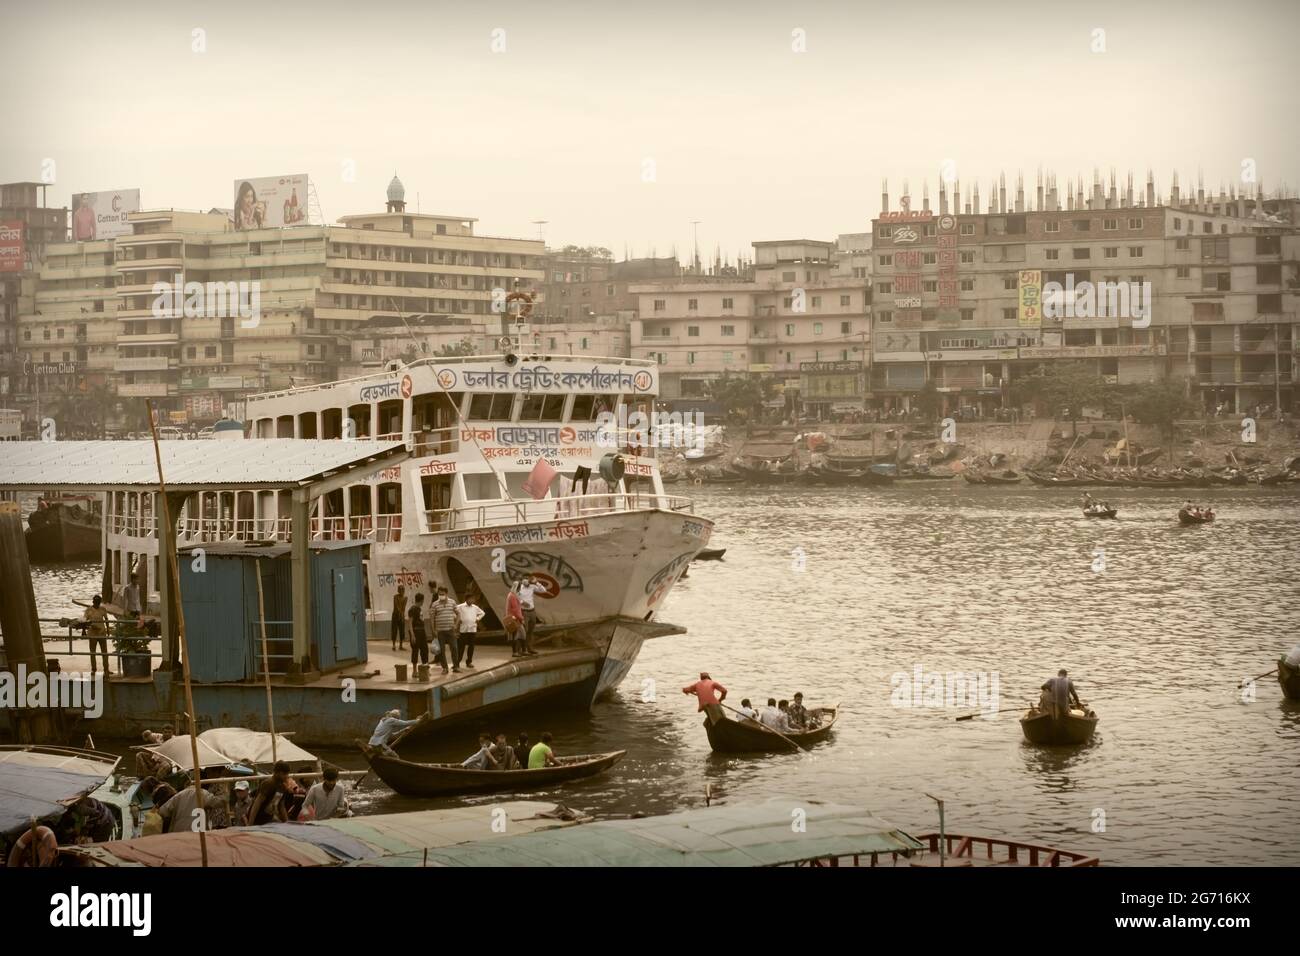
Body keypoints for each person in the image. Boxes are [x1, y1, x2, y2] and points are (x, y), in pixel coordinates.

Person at [157, 784, 225, 834]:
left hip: (178, 832)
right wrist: (224, 791)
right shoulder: (203, 793)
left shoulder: (178, 796)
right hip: (197, 833)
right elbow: (219, 802)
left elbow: (162, 811)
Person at [248, 761, 295, 826]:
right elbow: (257, 803)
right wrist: (250, 823)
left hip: (268, 817)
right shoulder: (269, 783)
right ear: (278, 773)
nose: (286, 776)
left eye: (287, 774)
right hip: (258, 817)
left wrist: (287, 823)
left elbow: (281, 806)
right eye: (284, 774)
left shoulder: (282, 787)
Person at [516, 575, 551, 651]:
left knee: (530, 631)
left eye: (527, 578)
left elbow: (544, 590)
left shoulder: (532, 587)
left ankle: (529, 648)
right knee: (523, 630)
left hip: (532, 611)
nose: (526, 580)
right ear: (522, 580)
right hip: (523, 611)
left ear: (529, 580)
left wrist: (536, 582)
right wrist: (522, 602)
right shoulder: (519, 587)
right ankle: (519, 649)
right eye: (524, 579)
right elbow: (514, 597)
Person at [430, 587, 459, 674]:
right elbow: (432, 618)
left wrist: (456, 625)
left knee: (454, 648)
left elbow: (459, 614)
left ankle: (456, 667)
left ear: (446, 594)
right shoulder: (435, 604)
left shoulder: (452, 602)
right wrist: (433, 630)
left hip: (451, 630)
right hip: (440, 631)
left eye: (442, 594)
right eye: (439, 594)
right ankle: (445, 668)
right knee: (441, 650)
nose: (441, 596)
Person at [454, 594, 486, 668]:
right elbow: (453, 612)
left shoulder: (475, 607)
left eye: (473, 599)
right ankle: (457, 662)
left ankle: (469, 662)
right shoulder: (460, 606)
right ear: (467, 599)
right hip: (463, 630)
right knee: (461, 647)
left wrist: (477, 619)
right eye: (471, 599)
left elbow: (482, 613)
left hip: (472, 629)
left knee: (471, 646)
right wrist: (458, 619)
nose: (472, 600)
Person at [83, 594, 110, 675]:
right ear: (93, 602)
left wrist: (108, 629)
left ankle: (106, 669)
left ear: (100, 602)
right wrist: (84, 630)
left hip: (102, 632)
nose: (97, 604)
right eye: (95, 602)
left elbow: (106, 619)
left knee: (104, 652)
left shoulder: (103, 609)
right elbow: (84, 621)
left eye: (98, 602)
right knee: (93, 652)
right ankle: (93, 669)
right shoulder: (88, 610)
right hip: (92, 633)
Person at [407, 592, 430, 671]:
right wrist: (412, 635)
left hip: (422, 631)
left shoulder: (419, 609)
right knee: (415, 651)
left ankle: (425, 668)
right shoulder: (412, 609)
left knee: (424, 649)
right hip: (416, 631)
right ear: (421, 600)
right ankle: (414, 670)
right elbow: (410, 623)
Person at [506, 588, 529, 657]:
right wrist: (521, 618)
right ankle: (515, 652)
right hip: (515, 619)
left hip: (515, 618)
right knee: (515, 636)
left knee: (522, 635)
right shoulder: (512, 596)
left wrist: (523, 603)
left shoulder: (512, 595)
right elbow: (515, 610)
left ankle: (523, 651)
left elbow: (519, 603)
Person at [391, 584, 407, 652]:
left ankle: (401, 645)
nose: (402, 591)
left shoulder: (405, 598)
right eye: (400, 590)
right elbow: (396, 606)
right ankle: (394, 645)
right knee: (394, 630)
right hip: (395, 616)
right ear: (398, 590)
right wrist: (400, 612)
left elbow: (404, 607)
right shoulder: (395, 597)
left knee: (402, 631)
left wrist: (402, 615)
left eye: (403, 590)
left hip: (401, 616)